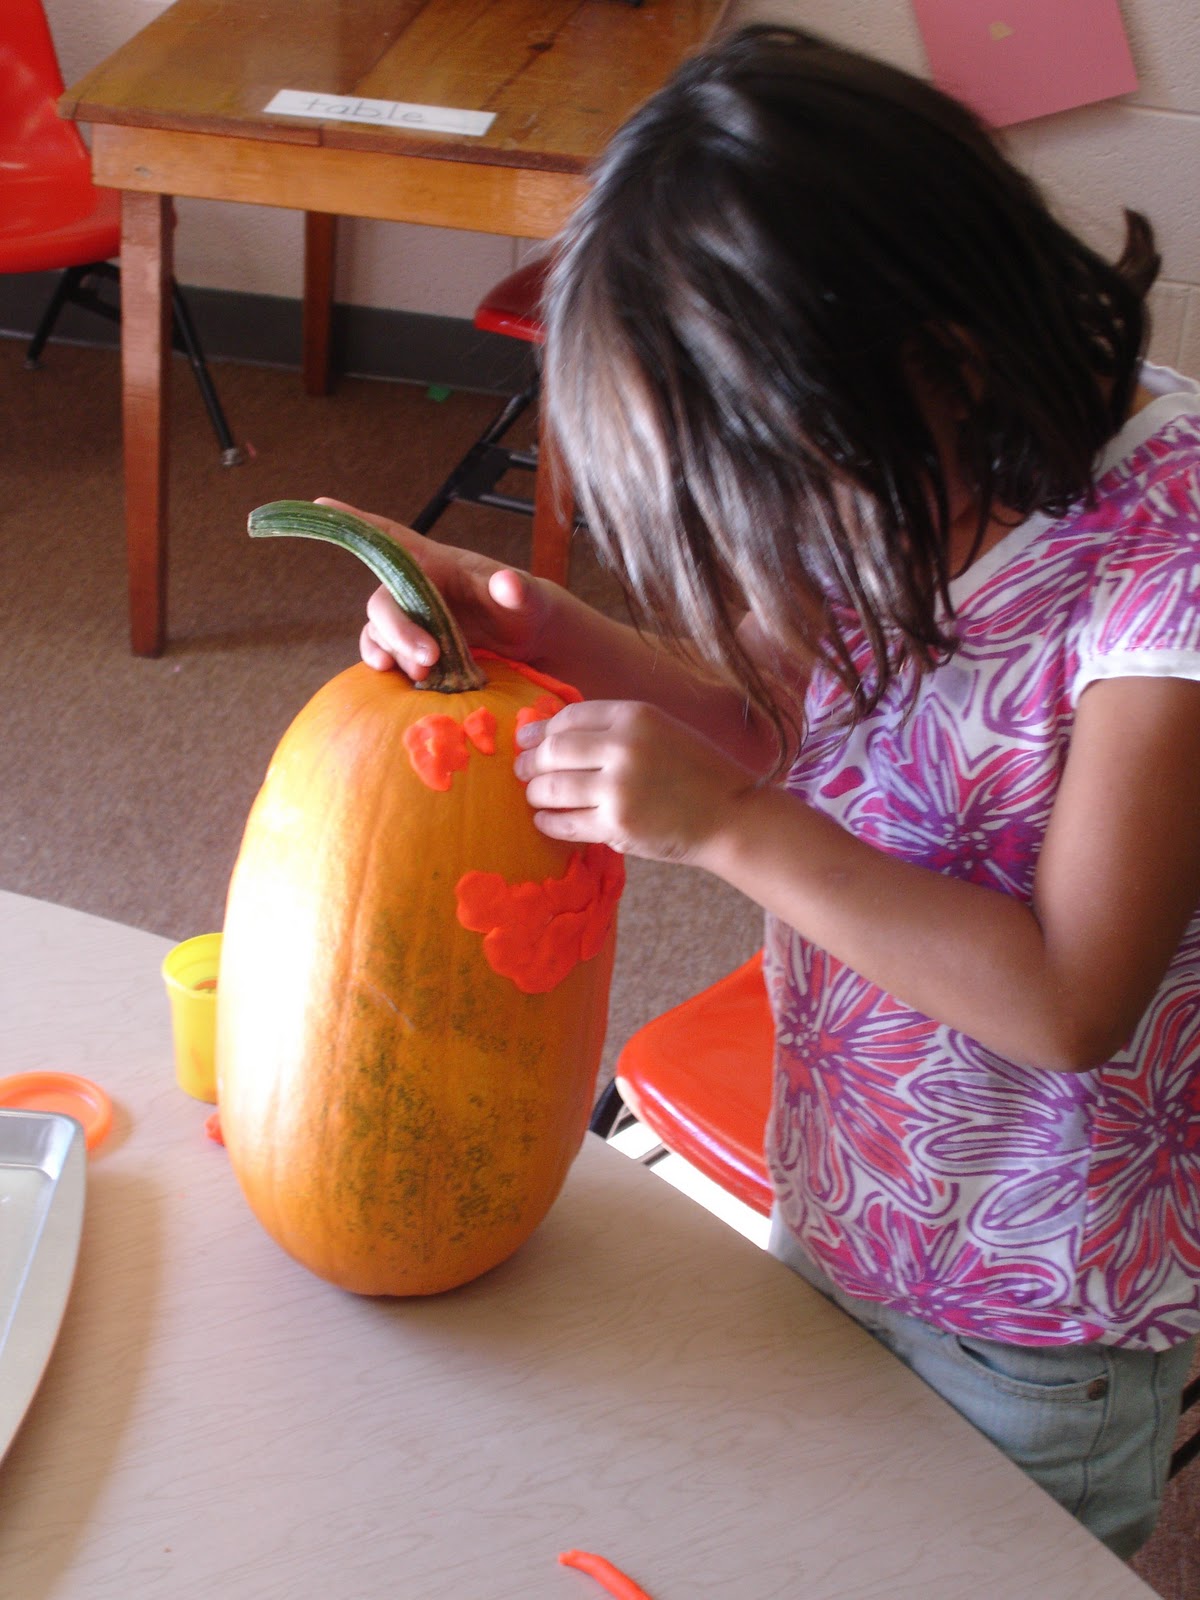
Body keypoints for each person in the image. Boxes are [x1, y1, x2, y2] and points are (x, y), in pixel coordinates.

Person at [352, 24, 1200, 1558]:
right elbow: (773, 724)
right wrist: (539, 628)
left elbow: (1075, 999)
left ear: (940, 365)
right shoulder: (873, 456)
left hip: (1038, 1301)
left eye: (785, 517)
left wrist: (735, 831)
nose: (779, 570)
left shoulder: (1171, 562)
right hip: (848, 1191)